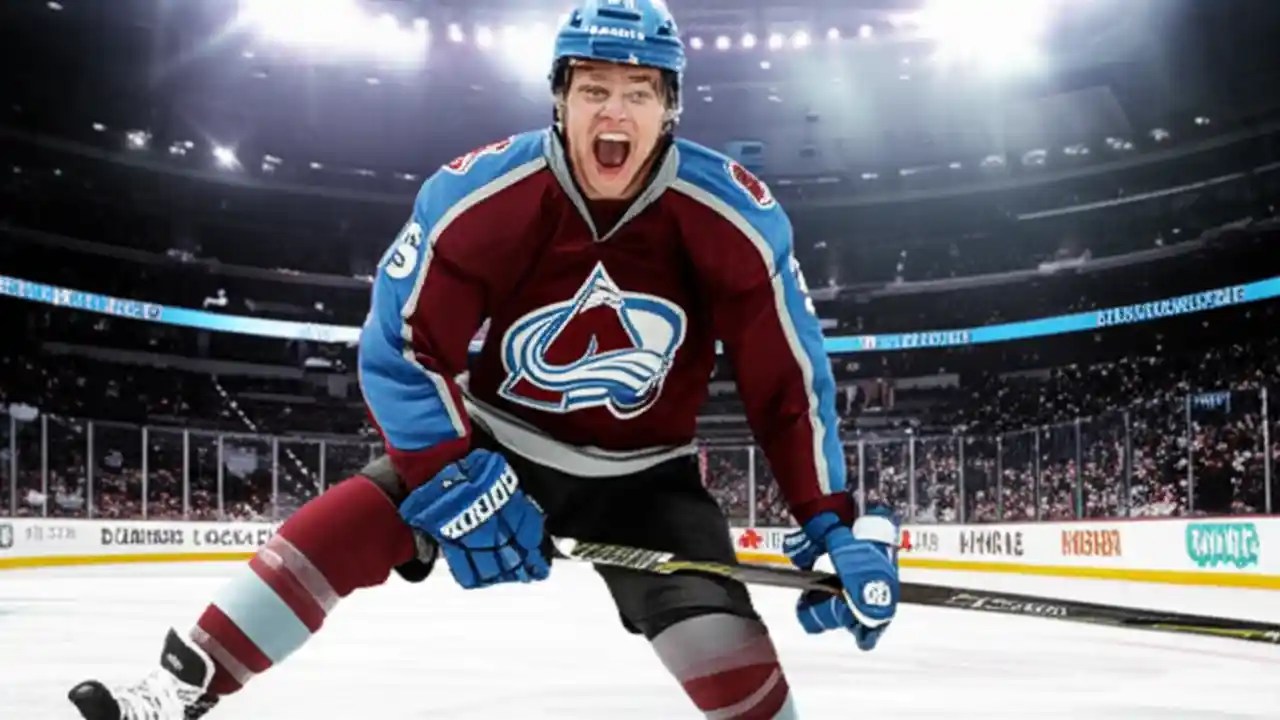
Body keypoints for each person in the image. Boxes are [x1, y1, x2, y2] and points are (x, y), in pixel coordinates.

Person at [68, 1, 900, 717]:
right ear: (560, 100)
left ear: (671, 109)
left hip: (650, 479)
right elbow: (400, 343)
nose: (615, 112)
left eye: (639, 92)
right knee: (344, 526)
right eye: (594, 89)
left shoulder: (735, 218)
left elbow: (788, 380)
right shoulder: (479, 196)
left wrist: (830, 519)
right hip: (497, 447)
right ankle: (178, 687)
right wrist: (449, 472)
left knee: (722, 636)